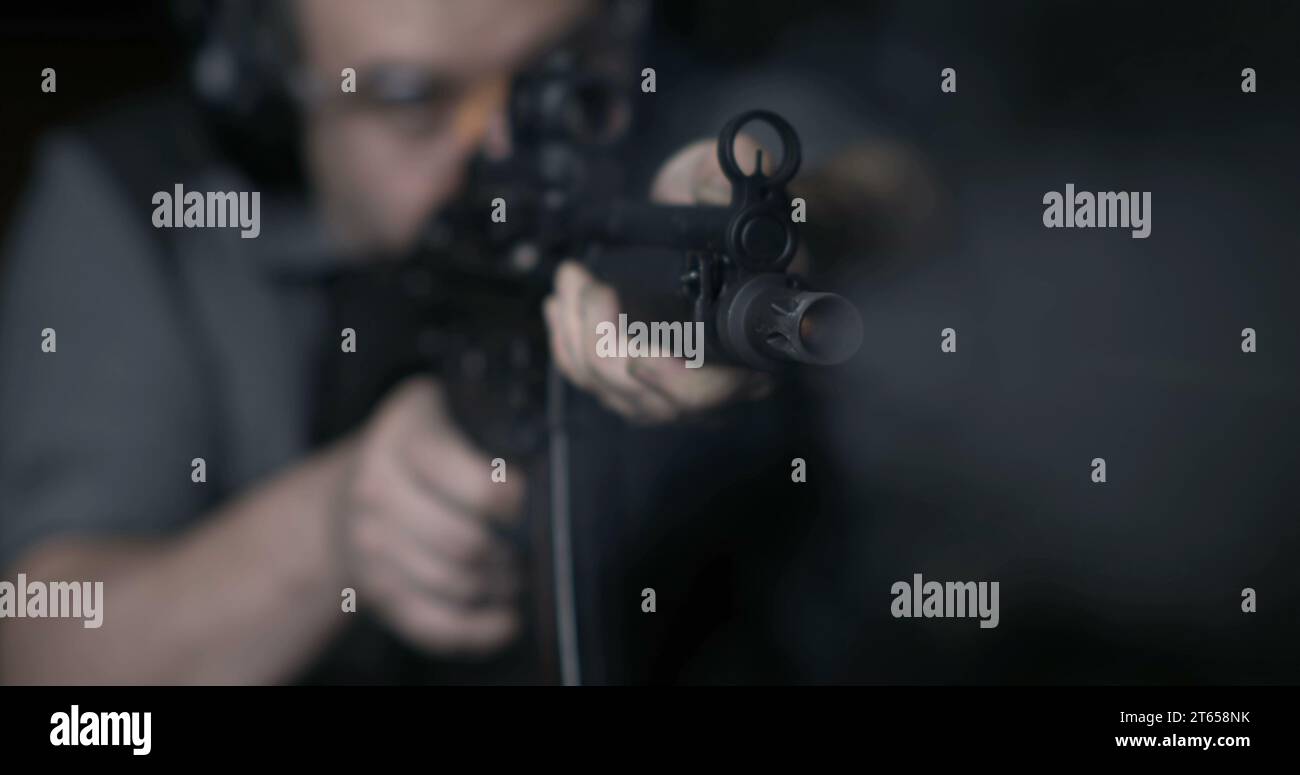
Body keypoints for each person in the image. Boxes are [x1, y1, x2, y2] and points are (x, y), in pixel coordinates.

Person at [0, 0, 770, 684]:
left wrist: (780, 234)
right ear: (267, 82)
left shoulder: (686, 108)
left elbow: (873, 179)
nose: (497, 144)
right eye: (411, 98)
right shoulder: (136, 206)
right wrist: (331, 527)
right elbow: (45, 659)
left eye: (555, 77)